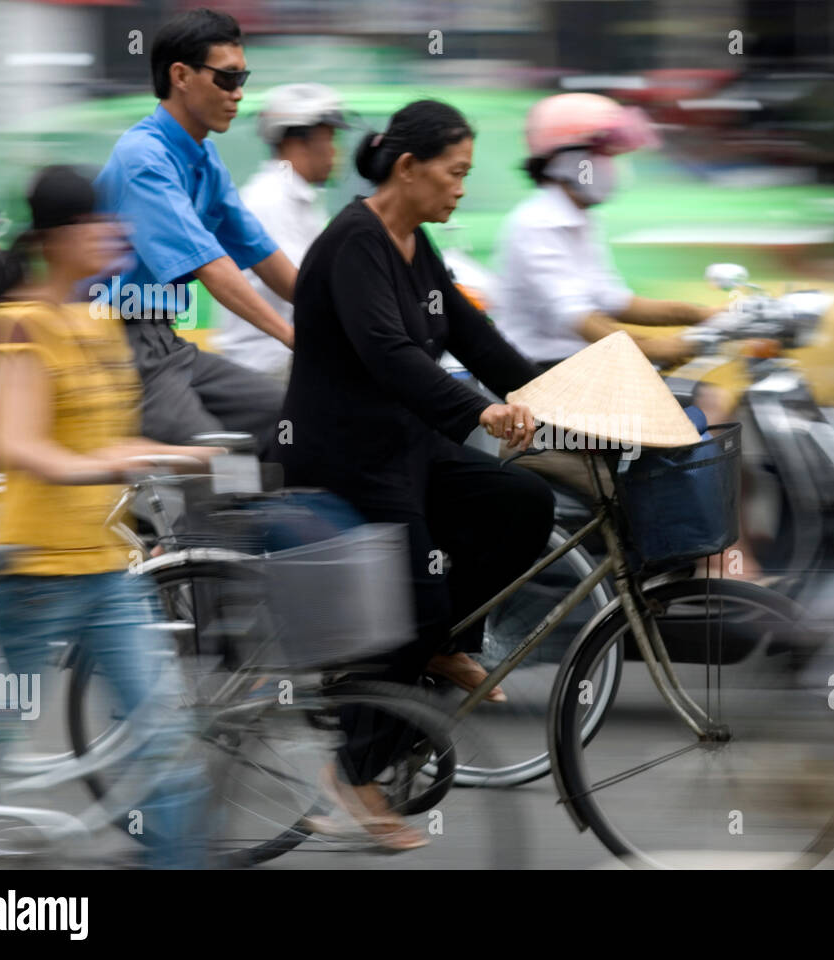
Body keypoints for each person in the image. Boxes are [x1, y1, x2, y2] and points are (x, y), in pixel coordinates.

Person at [272, 100, 554, 849]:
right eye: (454, 172)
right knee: (419, 600)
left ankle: (436, 646)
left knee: (522, 502)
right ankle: (353, 774)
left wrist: (549, 394)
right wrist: (481, 411)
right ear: (408, 167)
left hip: (408, 444)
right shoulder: (354, 242)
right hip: (346, 455)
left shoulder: (413, 241)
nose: (461, 187)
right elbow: (390, 355)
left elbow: (471, 333)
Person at [0, 165, 220, 867]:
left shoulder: (97, 322)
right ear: (55, 238)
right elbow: (14, 444)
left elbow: (112, 439)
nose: (114, 231)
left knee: (163, 736)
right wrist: (102, 466)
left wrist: (186, 456)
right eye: (96, 221)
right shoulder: (17, 325)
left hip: (107, 568)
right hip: (34, 572)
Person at [92, 7, 295, 454]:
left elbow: (260, 251)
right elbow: (211, 266)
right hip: (115, 346)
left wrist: (337, 316)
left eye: (242, 79)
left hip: (165, 341)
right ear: (181, 76)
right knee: (209, 455)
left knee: (287, 413)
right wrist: (292, 335)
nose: (238, 94)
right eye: (227, 78)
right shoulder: (144, 158)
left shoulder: (205, 159)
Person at [491, 92, 721, 371]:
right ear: (569, 161)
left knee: (704, 392)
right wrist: (654, 348)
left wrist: (705, 315)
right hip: (541, 369)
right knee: (703, 394)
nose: (611, 167)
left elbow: (613, 300)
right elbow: (576, 316)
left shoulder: (582, 218)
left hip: (584, 363)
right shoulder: (535, 224)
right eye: (601, 156)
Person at [214, 83, 348, 382]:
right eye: (329, 138)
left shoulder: (297, 196)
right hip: (269, 363)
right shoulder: (270, 200)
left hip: (289, 357)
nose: (335, 150)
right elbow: (308, 286)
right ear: (297, 142)